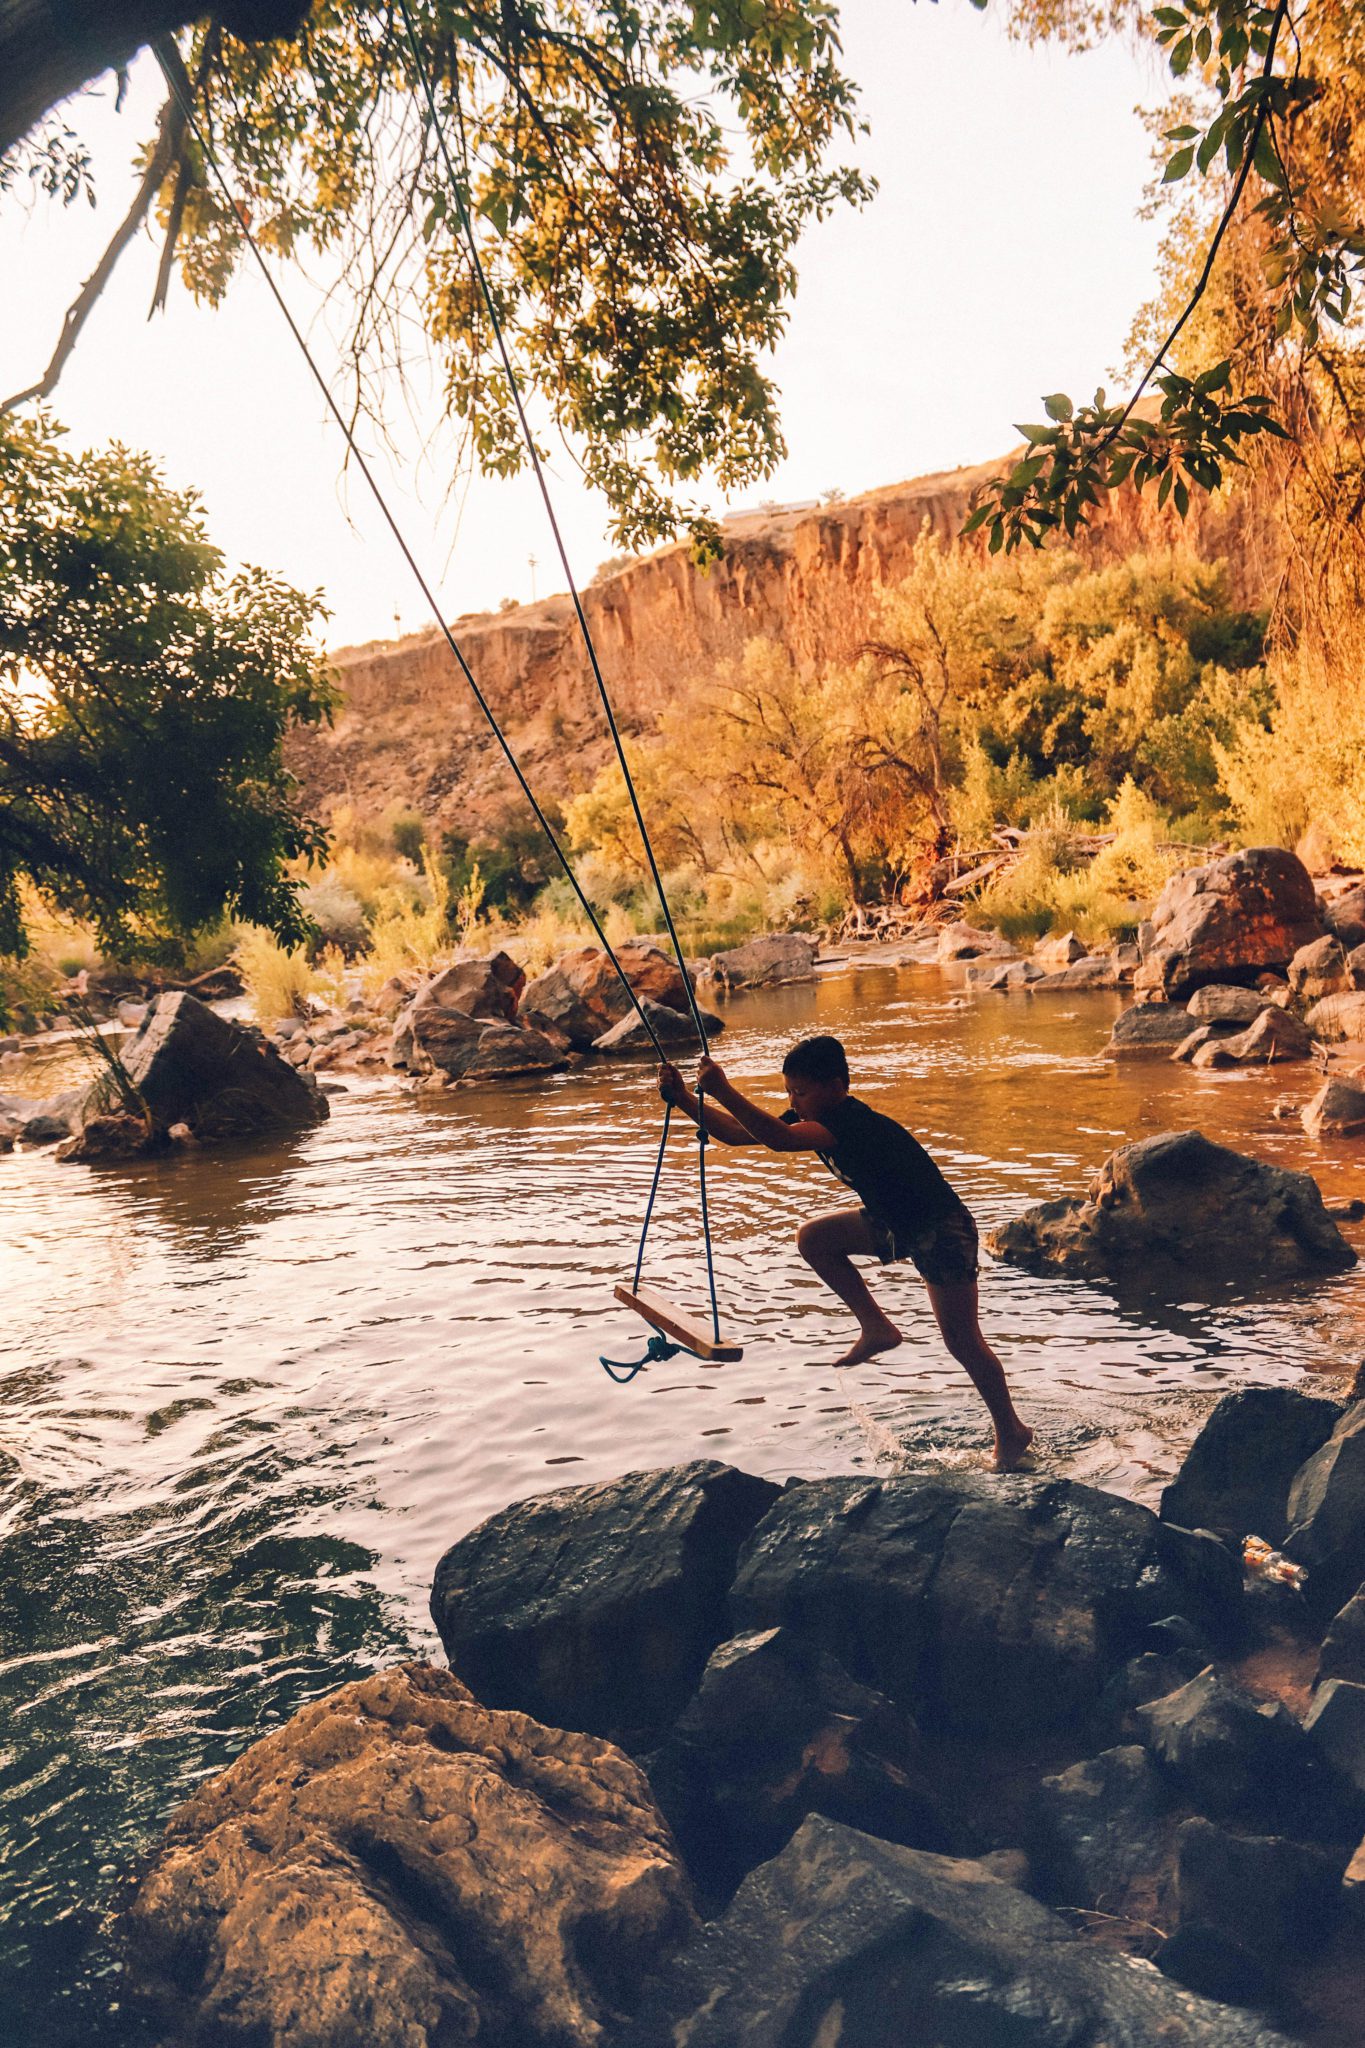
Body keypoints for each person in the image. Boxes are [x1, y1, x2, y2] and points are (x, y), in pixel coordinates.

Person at [658, 1033, 1033, 1471]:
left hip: (940, 1228)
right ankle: (876, 1326)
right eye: (788, 1092)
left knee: (963, 1342)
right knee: (814, 1239)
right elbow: (741, 1134)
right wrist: (684, 1097)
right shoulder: (814, 1117)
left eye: (800, 1092)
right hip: (894, 1221)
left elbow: (777, 1138)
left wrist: (722, 1088)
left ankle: (1012, 1432)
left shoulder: (848, 1121)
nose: (793, 1101)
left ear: (836, 1087)